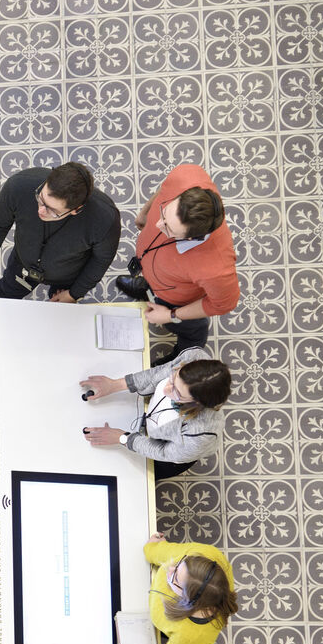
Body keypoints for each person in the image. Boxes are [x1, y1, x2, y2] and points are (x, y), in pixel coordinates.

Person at [115, 164, 240, 362]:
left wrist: (170, 315)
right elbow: (164, 189)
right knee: (151, 281)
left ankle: (182, 356)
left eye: (169, 229)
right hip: (154, 271)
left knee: (191, 331)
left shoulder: (216, 268)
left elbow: (224, 303)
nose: (157, 225)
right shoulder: (187, 175)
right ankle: (146, 289)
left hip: (177, 300)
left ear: (192, 238)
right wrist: (145, 213)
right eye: (164, 213)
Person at [0, 162, 120, 303]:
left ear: (76, 210)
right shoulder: (19, 186)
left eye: (52, 210)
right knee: (4, 297)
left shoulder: (105, 219)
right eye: (41, 199)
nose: (40, 211)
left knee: (57, 318)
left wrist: (73, 294)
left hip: (69, 274)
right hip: (23, 264)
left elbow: (101, 260)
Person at [78, 347, 231, 479]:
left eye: (177, 394)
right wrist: (115, 385)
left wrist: (122, 437)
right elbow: (157, 374)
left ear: (197, 403)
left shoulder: (201, 435)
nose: (166, 389)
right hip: (153, 424)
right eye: (173, 379)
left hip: (167, 458)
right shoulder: (194, 357)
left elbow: (163, 451)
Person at [141, 531, 238, 644]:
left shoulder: (191, 635)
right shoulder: (204, 555)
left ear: (189, 600)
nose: (169, 567)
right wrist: (153, 548)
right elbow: (170, 553)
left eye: (176, 578)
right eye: (179, 564)